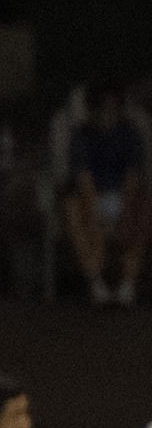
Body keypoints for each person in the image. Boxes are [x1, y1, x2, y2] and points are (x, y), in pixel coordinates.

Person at [63, 79, 149, 306]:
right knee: (72, 208)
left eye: (113, 107)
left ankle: (128, 283)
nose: (108, 113)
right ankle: (96, 281)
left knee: (144, 209)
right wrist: (96, 213)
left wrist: (125, 208)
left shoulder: (130, 133)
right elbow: (82, 178)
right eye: (103, 107)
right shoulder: (82, 135)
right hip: (91, 198)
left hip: (123, 197)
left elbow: (133, 175)